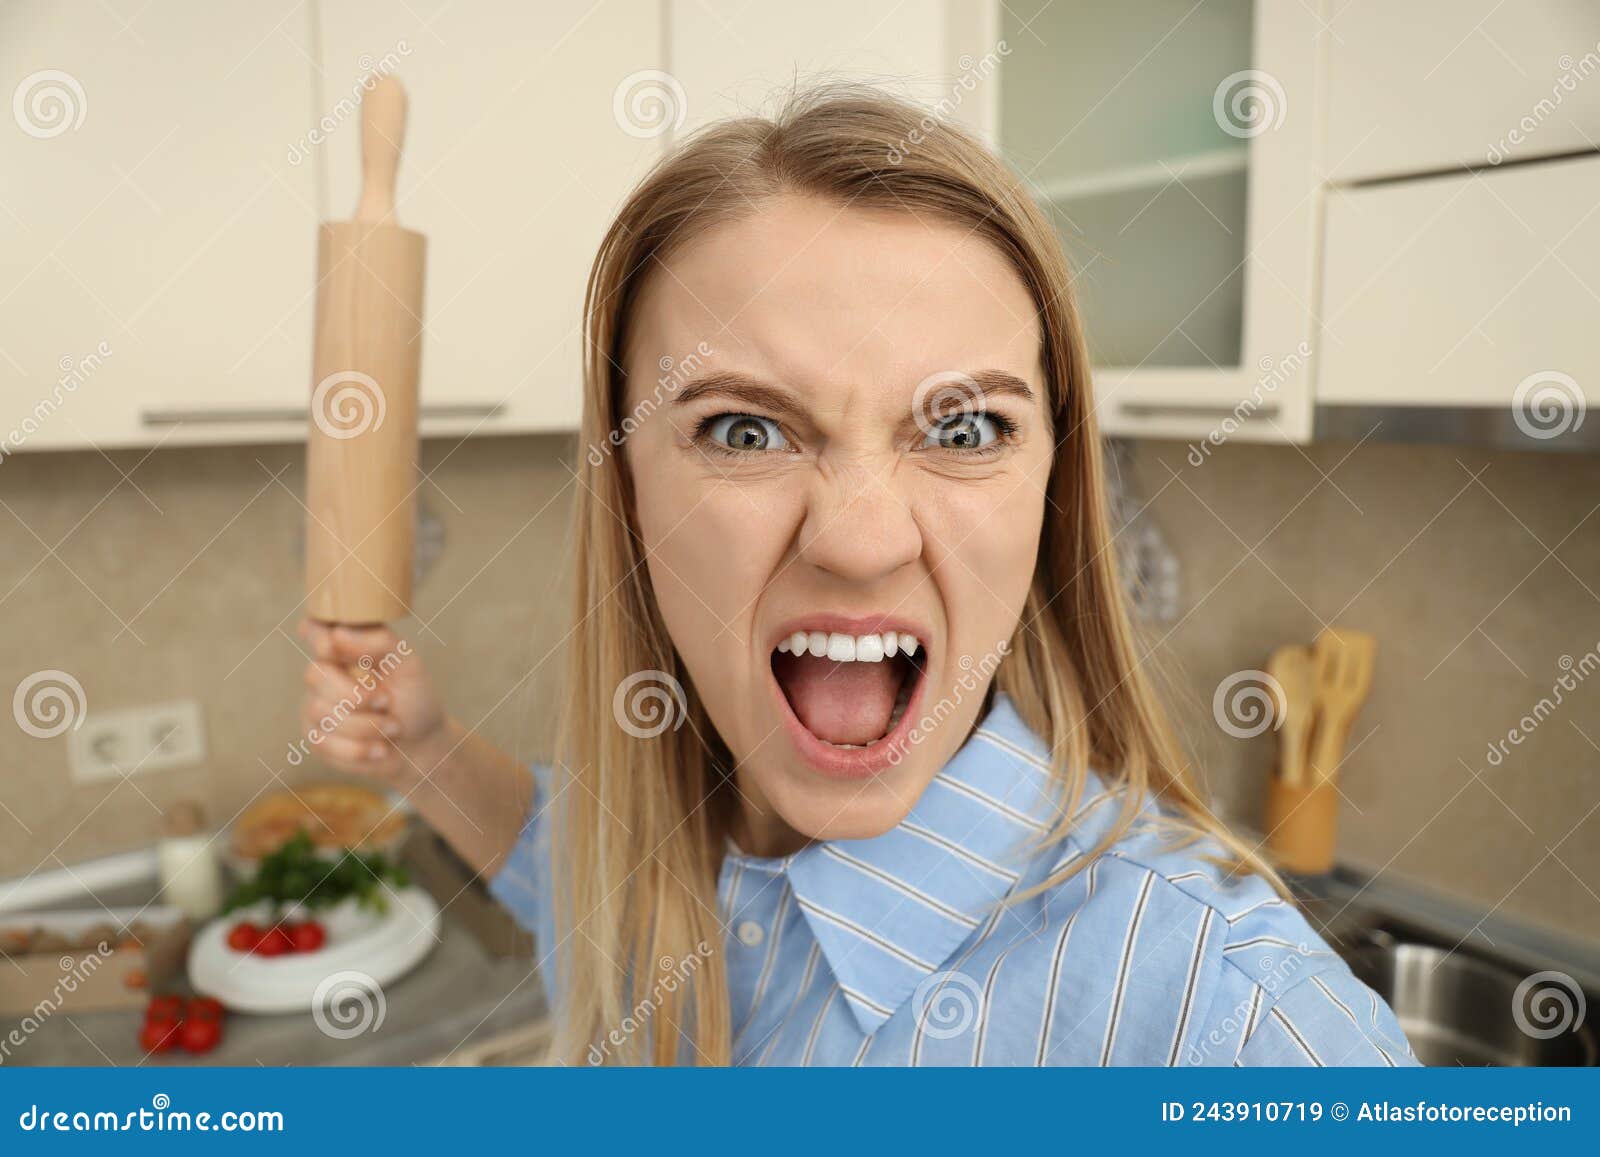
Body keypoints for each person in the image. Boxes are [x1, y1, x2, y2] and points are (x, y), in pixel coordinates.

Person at [298, 86, 1414, 1067]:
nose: (860, 538)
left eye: (966, 425)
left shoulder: (1232, 1019)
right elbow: (578, 874)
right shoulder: (673, 835)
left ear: (1051, 488)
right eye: (743, 430)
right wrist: (426, 752)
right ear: (625, 488)